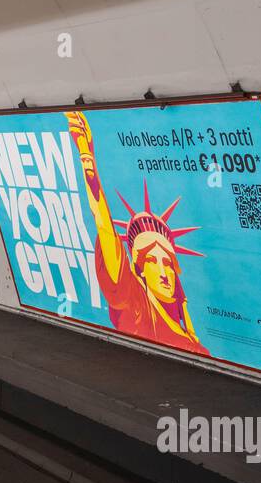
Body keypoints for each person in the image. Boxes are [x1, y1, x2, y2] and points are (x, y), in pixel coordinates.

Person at [65, 110, 209, 356]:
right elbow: (104, 226)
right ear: (139, 269)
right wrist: (86, 156)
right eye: (152, 261)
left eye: (167, 263)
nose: (164, 273)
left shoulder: (195, 343)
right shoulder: (136, 303)